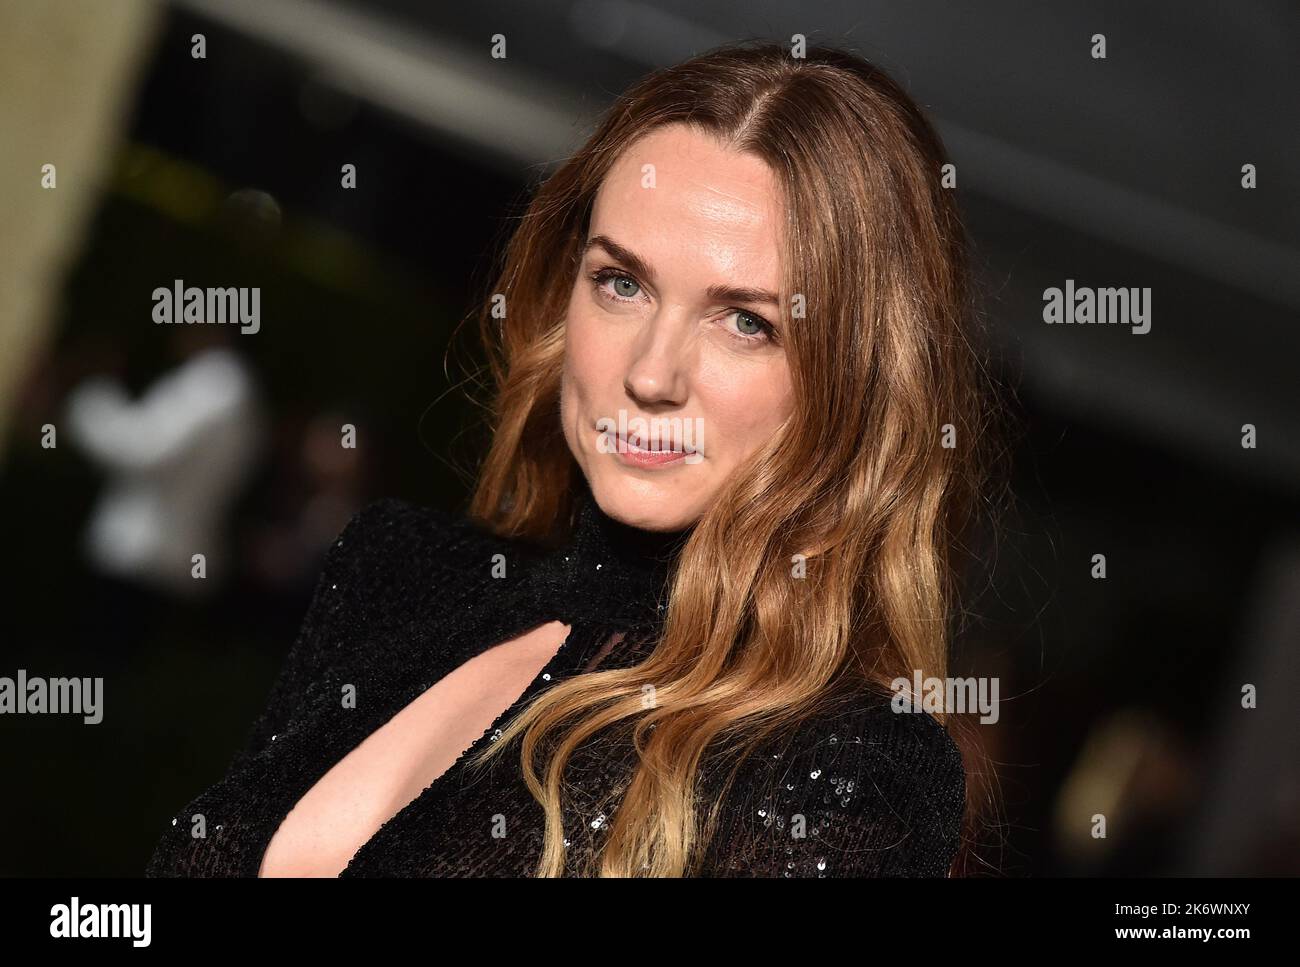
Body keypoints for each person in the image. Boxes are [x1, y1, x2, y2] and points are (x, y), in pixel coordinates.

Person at [147, 40, 1001, 878]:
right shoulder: (398, 574)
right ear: (565, 289)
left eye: (747, 321)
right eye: (621, 283)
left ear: (857, 386)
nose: (650, 373)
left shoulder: (845, 767)